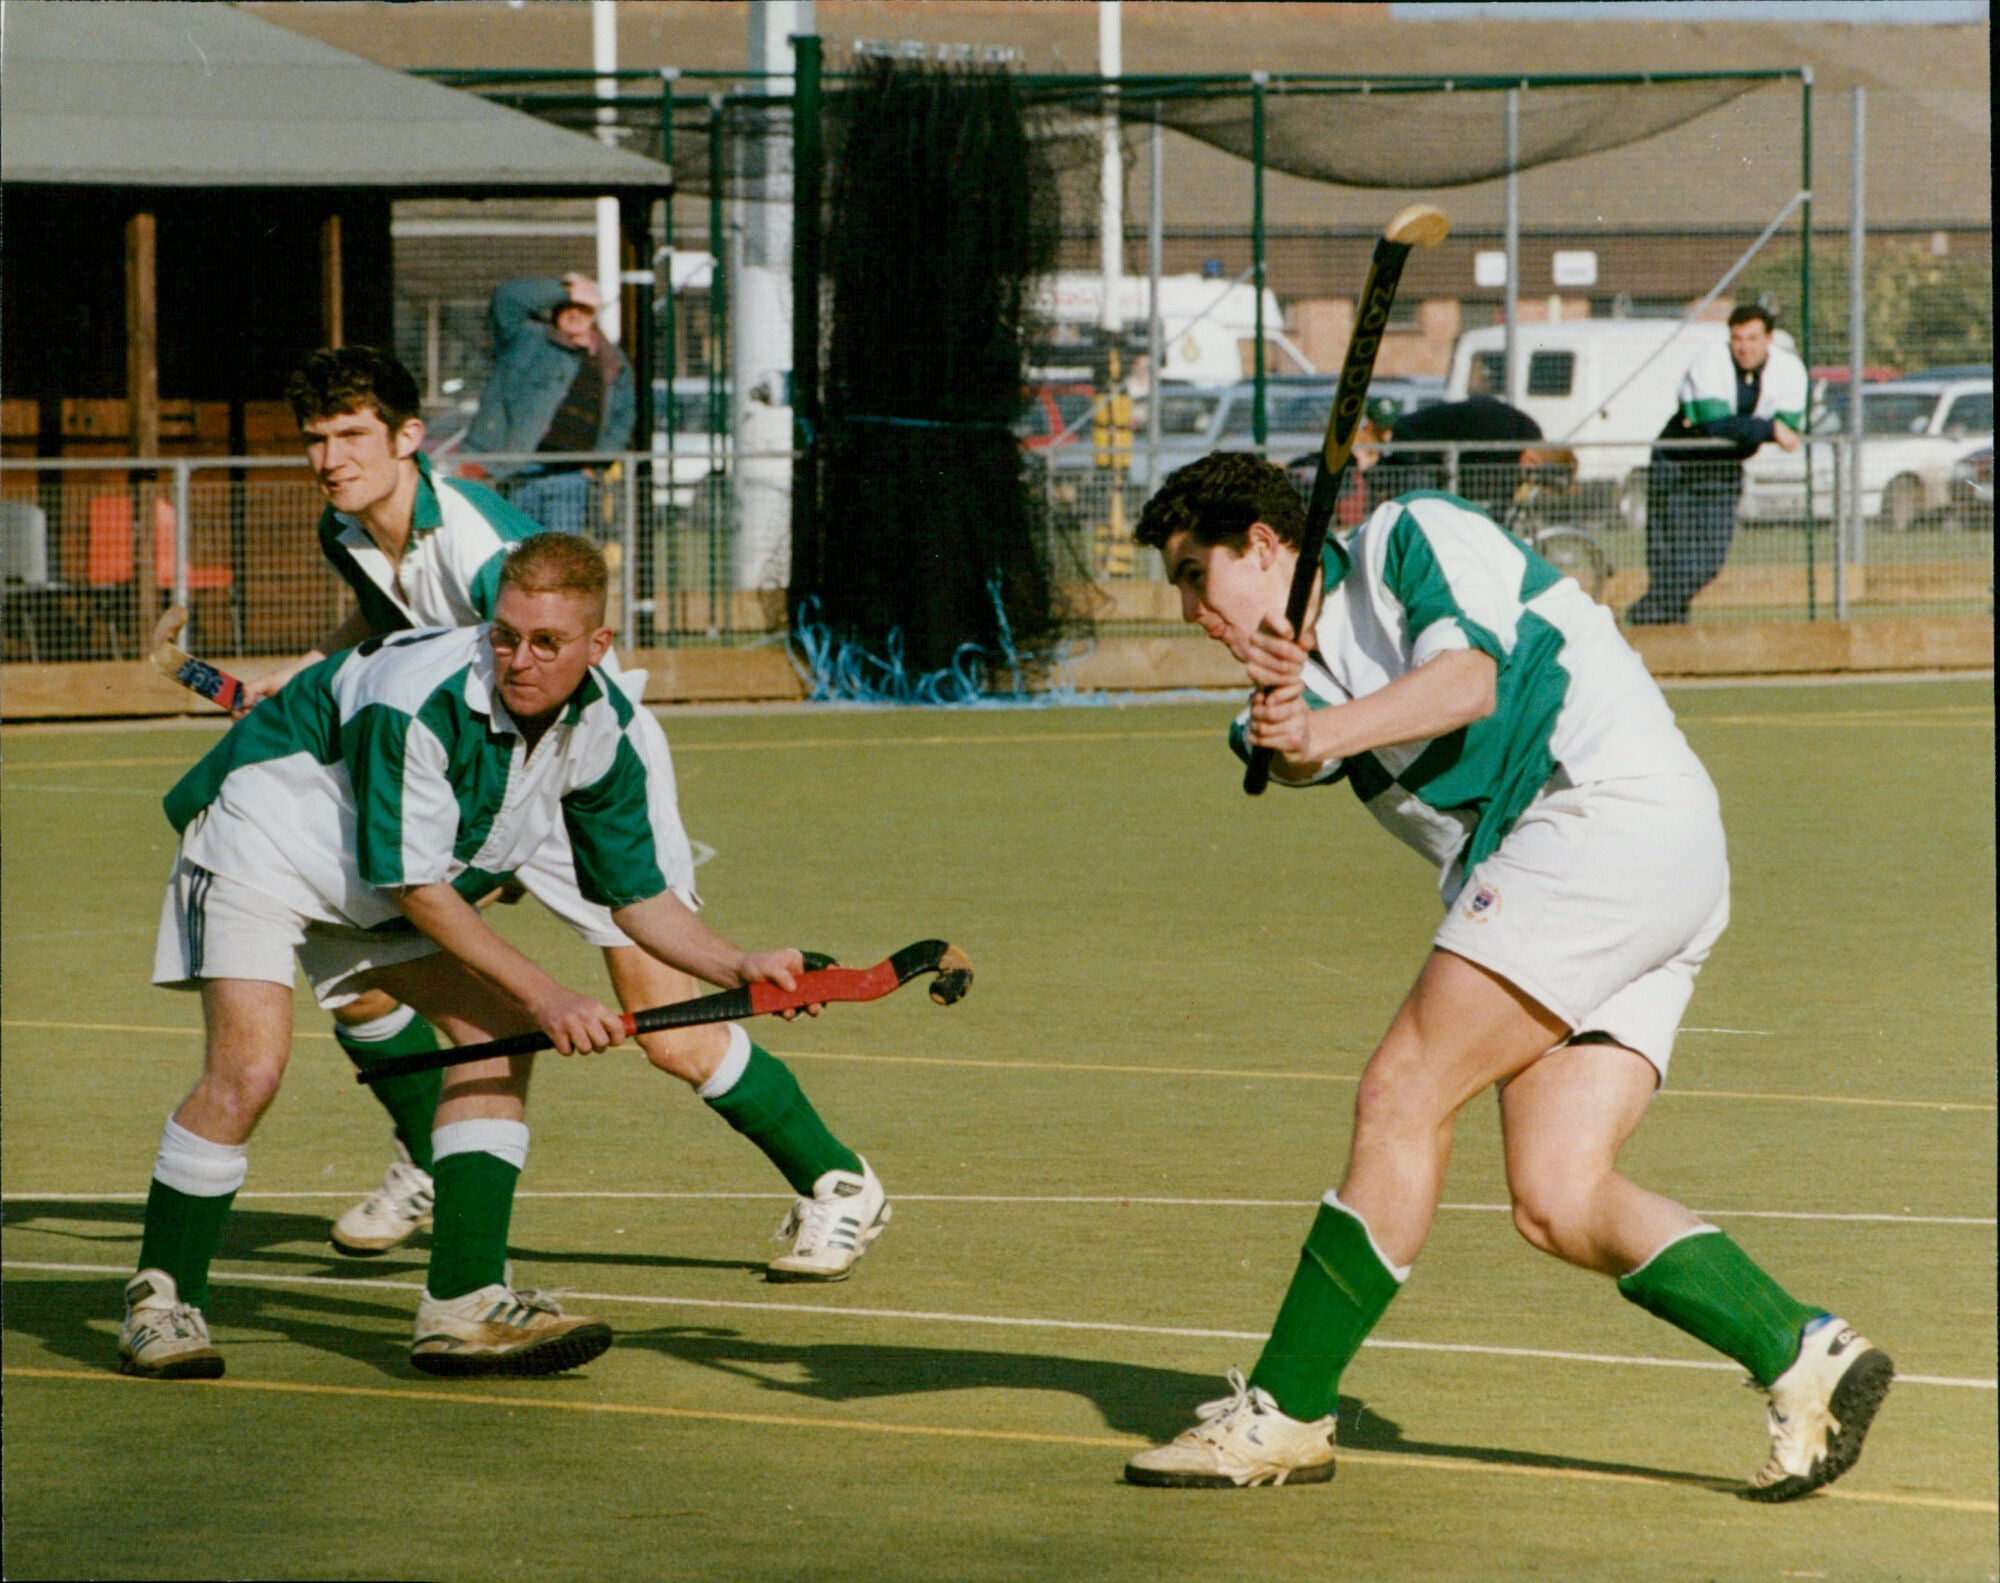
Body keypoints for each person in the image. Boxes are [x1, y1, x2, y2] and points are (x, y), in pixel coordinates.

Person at [1118, 452, 1891, 1500]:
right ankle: (1802, 1351)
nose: (1190, 609)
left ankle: (1288, 1407)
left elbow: (1467, 680)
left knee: (1402, 1088)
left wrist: (1320, 724)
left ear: (1261, 544)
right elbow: (1292, 756)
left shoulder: (1404, 539)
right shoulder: (1280, 688)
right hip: (1636, 869)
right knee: (1556, 1194)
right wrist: (1294, 714)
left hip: (1597, 816)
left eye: (1191, 573)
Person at [241, 348, 887, 1285]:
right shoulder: (347, 530)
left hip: (575, 762)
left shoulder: (475, 544)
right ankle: (436, 1156)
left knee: (664, 1023)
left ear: (408, 439)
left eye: (351, 436)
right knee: (369, 957)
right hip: (485, 763)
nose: (331, 458)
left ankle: (838, 1182)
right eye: (316, 439)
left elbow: (549, 660)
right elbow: (391, 631)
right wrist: (300, 676)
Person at [1625, 304, 1805, 625]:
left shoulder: (1789, 370)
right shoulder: (1710, 360)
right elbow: (1715, 425)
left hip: (1723, 470)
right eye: (1737, 338)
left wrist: (1766, 429)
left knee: (1707, 563)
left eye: (1752, 338)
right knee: (1671, 561)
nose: (1744, 346)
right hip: (1679, 466)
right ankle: (1665, 637)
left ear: (1769, 339)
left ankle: (1644, 615)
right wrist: (1767, 429)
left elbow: (1788, 426)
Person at [462, 274, 636, 534]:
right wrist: (567, 291)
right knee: (516, 550)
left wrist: (596, 462)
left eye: (583, 308)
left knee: (560, 561)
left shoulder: (611, 360)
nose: (574, 313)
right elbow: (507, 299)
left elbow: (623, 418)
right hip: (518, 469)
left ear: (595, 314)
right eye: (567, 307)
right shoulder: (529, 338)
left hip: (572, 475)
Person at [1370, 362, 1547, 521]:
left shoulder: (1520, 432)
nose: (1527, 469)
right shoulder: (1514, 434)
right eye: (1531, 463)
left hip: (1429, 439)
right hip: (1420, 441)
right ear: (1531, 454)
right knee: (1420, 499)